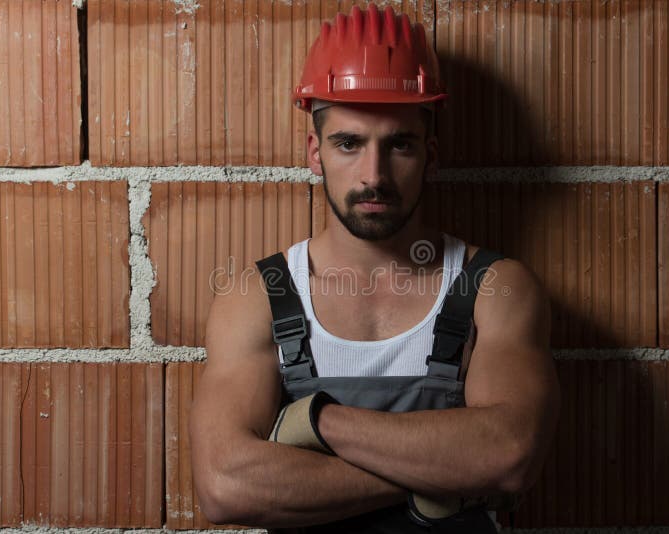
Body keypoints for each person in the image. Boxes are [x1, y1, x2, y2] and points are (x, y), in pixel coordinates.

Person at [189, 4, 560, 533]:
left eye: (399, 145)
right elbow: (226, 487)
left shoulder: (495, 289)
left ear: (430, 155)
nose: (374, 174)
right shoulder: (259, 296)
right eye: (349, 143)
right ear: (315, 152)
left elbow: (508, 456)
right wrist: (444, 473)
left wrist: (316, 421)